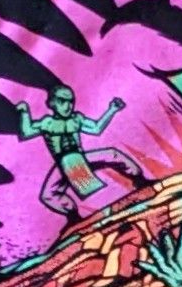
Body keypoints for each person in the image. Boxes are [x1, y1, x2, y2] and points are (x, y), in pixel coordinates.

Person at [21, 81, 144, 216]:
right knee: (48, 195)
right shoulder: (47, 123)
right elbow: (27, 131)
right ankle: (73, 216)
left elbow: (96, 128)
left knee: (113, 154)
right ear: (52, 103)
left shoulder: (76, 119)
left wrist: (112, 110)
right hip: (63, 164)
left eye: (71, 101)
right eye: (62, 101)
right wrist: (24, 112)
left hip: (82, 157)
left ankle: (141, 180)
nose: (68, 106)